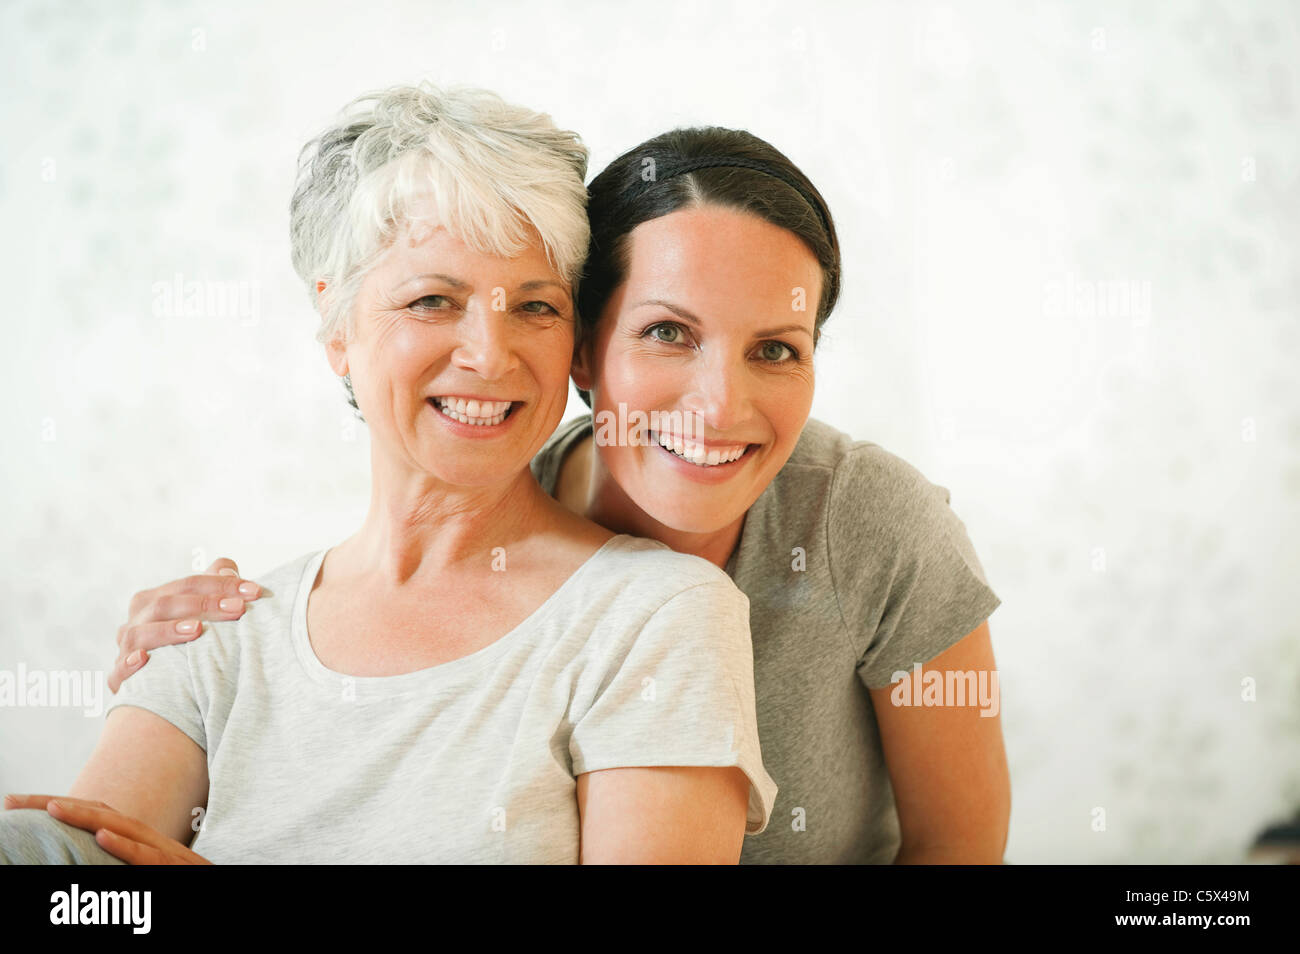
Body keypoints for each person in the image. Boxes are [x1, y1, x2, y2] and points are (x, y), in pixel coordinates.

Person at [105, 124, 1009, 865]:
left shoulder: (873, 523)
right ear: (583, 348)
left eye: (776, 348)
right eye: (666, 332)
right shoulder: (491, 484)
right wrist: (198, 653)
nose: (719, 405)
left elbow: (959, 850)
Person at [0, 84, 776, 865]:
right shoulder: (213, 638)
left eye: (535, 308)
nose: (489, 354)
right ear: (338, 328)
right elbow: (75, 880)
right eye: (434, 300)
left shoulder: (656, 617)